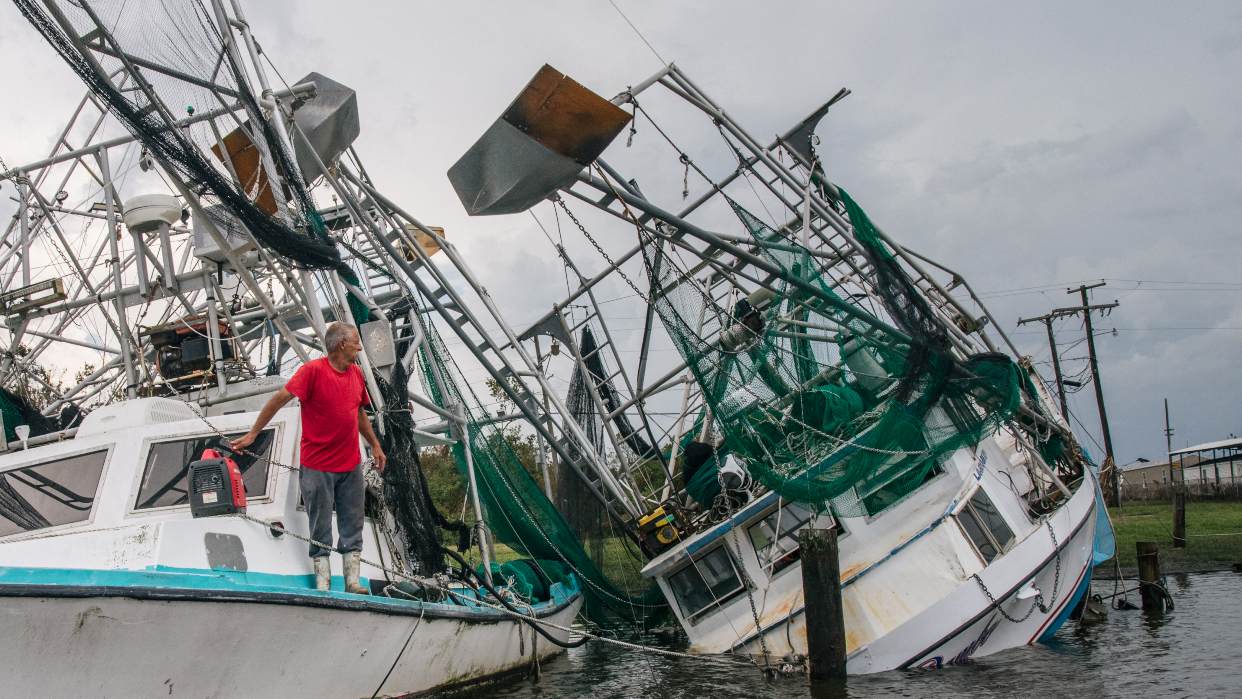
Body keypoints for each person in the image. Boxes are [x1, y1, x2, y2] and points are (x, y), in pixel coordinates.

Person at [231, 321, 386, 594]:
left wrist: (374, 444)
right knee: (320, 524)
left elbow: (359, 412)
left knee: (353, 523)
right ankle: (323, 583)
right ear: (342, 344)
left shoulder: (356, 373)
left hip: (350, 465)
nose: (360, 348)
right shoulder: (312, 371)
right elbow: (278, 399)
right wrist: (254, 433)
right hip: (318, 466)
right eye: (356, 342)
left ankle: (352, 582)